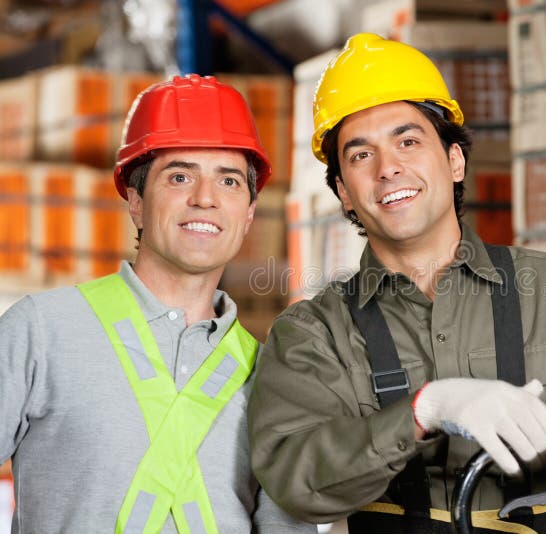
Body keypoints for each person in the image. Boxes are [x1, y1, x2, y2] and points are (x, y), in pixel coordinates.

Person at [248, 34, 546, 533]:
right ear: (343, 192)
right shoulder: (313, 332)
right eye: (361, 156)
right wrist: (424, 412)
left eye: (408, 142)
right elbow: (294, 481)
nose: (388, 169)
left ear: (455, 161)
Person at [0, 74, 314, 534]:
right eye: (180, 176)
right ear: (136, 201)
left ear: (248, 213)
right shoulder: (41, 332)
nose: (205, 198)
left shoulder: (271, 378)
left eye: (228, 181)